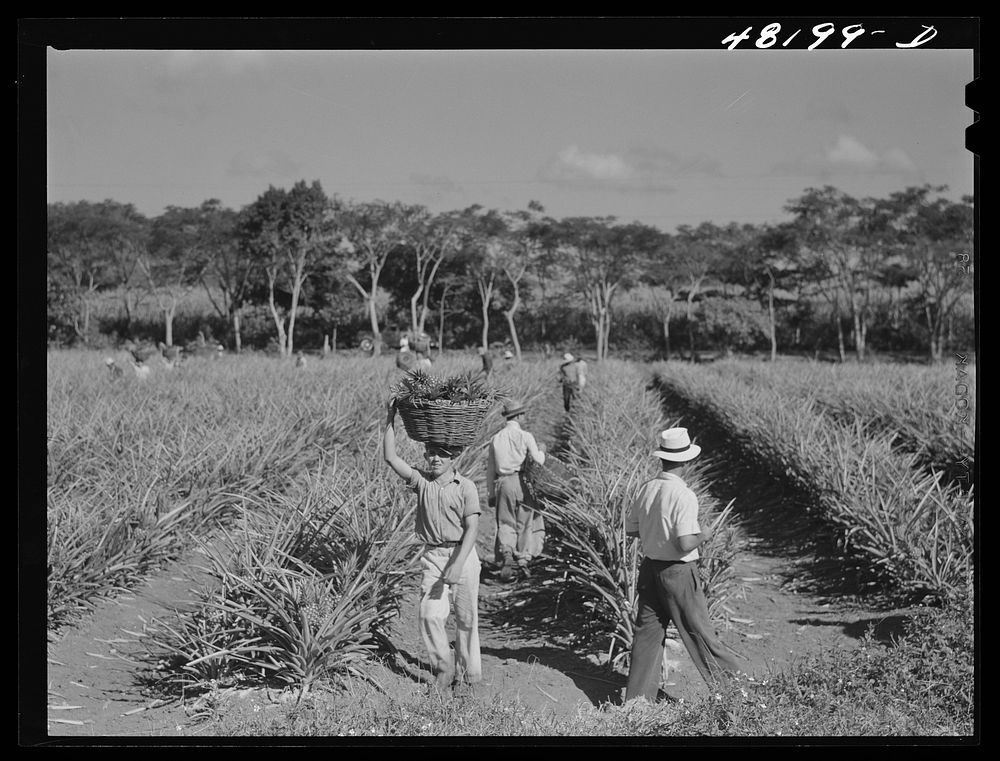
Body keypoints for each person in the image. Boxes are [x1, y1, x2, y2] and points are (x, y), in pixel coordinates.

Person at [624, 427, 746, 703]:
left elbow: (631, 530)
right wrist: (704, 535)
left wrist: (655, 532)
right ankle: (738, 695)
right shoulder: (683, 495)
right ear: (686, 461)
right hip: (677, 572)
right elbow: (683, 544)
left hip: (650, 567)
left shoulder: (647, 488)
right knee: (699, 633)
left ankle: (636, 703)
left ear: (663, 459)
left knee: (648, 634)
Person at [382, 403, 483, 693]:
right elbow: (391, 457)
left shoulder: (465, 486)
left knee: (466, 619)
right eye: (430, 452)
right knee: (429, 614)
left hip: (463, 555)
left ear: (454, 457)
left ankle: (469, 676)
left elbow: (472, 529)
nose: (434, 458)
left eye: (441, 453)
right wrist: (391, 418)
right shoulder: (421, 481)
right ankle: (443, 667)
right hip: (433, 556)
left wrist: (457, 562)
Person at [486, 400, 547, 580]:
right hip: (522, 481)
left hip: (503, 483)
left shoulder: (496, 438)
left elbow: (490, 469)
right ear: (519, 416)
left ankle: (506, 552)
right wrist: (542, 449)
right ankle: (523, 559)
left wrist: (491, 493)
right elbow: (539, 460)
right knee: (525, 521)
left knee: (505, 521)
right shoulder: (525, 436)